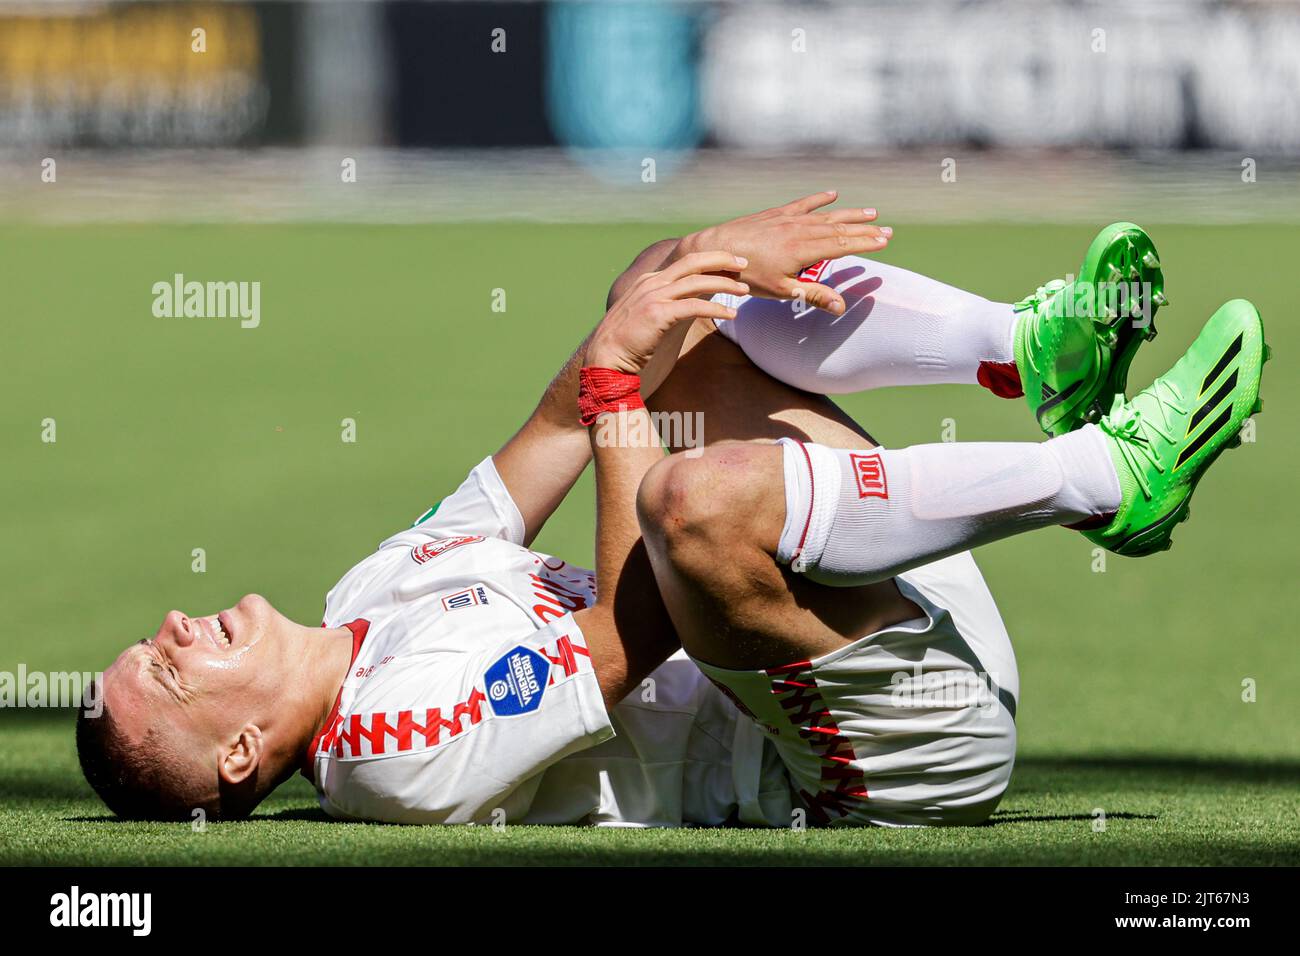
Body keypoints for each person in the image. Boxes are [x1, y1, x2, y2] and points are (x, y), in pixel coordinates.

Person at [77, 194, 1267, 827]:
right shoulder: (387, 753)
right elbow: (634, 637)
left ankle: (1020, 351)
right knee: (683, 497)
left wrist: (674, 279)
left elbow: (553, 429)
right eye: (168, 672)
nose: (177, 625)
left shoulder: (362, 597)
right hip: (877, 750)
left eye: (154, 636)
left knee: (661, 291)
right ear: (240, 756)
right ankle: (1112, 481)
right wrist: (613, 382)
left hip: (852, 585)